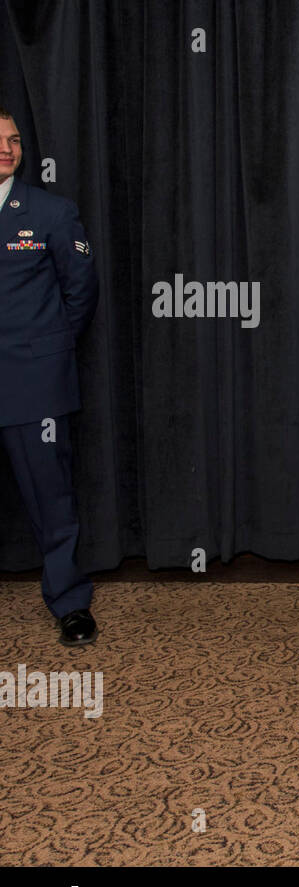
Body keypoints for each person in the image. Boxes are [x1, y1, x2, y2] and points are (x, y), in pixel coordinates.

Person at [0, 107, 99, 647]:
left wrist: (46, 346)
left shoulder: (50, 213)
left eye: (13, 140)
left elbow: (80, 292)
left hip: (31, 379)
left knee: (50, 496)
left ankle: (69, 603)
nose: (7, 148)